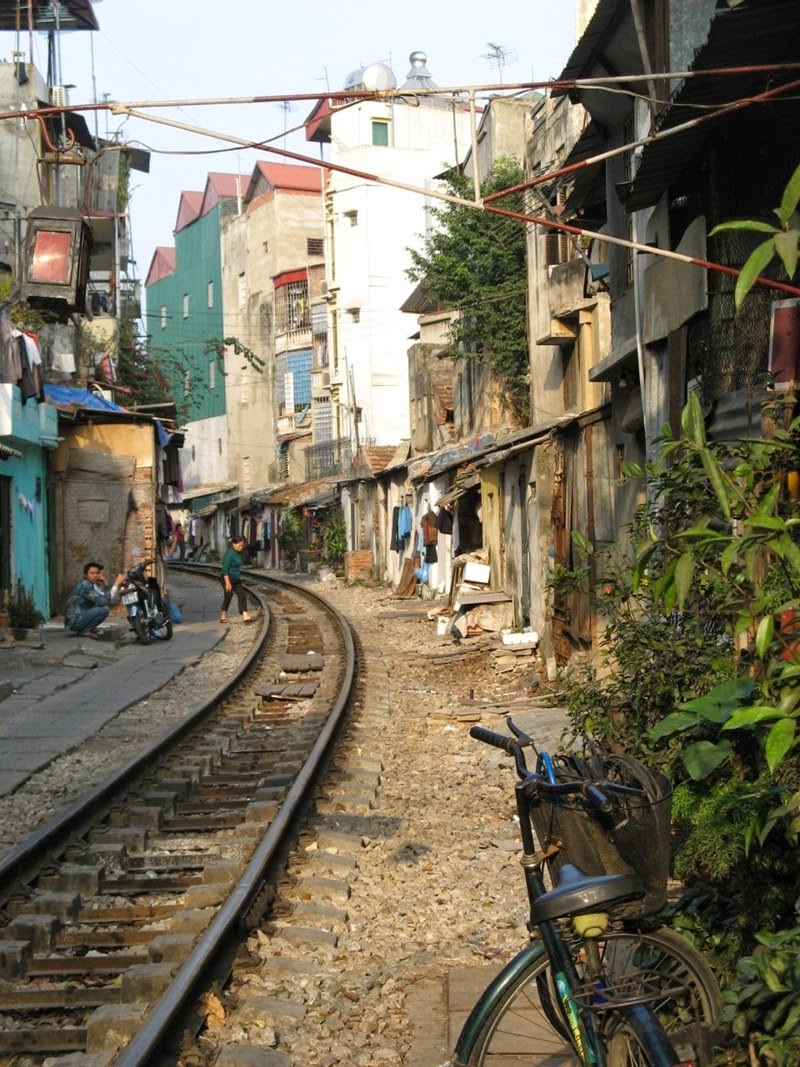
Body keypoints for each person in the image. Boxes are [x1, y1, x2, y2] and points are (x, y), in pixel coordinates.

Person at [64, 561, 126, 638]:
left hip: (78, 618)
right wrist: (110, 584)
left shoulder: (89, 585)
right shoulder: (85, 587)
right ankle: (86, 631)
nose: (95, 575)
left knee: (99, 606)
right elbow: (104, 602)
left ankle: (90, 628)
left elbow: (101, 599)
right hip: (75, 620)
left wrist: (104, 586)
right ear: (85, 575)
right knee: (104, 609)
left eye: (97, 573)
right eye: (92, 573)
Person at [220, 536, 252, 624]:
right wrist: (227, 583)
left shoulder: (239, 553)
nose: (241, 547)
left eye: (242, 546)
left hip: (236, 578)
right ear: (234, 544)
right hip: (227, 578)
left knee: (242, 595)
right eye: (239, 545)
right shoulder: (230, 554)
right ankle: (223, 615)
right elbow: (225, 569)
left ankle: (245, 615)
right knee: (228, 596)